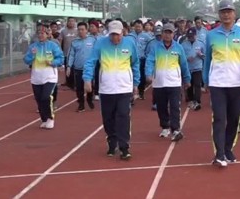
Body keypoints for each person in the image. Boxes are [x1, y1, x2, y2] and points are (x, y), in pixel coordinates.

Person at [203, 0, 240, 168]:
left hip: (237, 83)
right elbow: (208, 60)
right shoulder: (211, 35)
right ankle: (219, 154)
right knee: (219, 118)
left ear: (234, 14)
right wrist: (206, 80)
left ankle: (228, 149)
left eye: (229, 11)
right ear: (219, 14)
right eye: (223, 11)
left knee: (234, 118)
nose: (226, 14)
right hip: (217, 84)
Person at [84, 20, 140, 159]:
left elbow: (135, 63)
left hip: (124, 88)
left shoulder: (130, 43)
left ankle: (124, 147)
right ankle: (112, 141)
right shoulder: (101, 44)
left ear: (123, 32)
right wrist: (87, 79)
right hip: (106, 88)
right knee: (108, 118)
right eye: (112, 35)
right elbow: (91, 61)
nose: (115, 37)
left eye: (117, 34)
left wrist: (135, 84)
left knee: (123, 116)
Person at [145, 23, 191, 142]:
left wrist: (187, 79)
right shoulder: (155, 47)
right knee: (161, 107)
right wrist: (148, 74)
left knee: (175, 106)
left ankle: (175, 129)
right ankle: (165, 126)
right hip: (159, 82)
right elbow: (150, 61)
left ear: (173, 34)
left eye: (170, 32)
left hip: (174, 82)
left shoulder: (178, 48)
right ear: (162, 33)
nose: (167, 35)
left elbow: (184, 64)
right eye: (165, 32)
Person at [23, 24, 65, 129]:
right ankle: (44, 119)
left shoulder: (53, 46)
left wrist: (52, 62)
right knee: (39, 99)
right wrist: (32, 56)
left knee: (46, 97)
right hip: (36, 77)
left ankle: (50, 118)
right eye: (39, 33)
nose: (40, 35)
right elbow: (26, 60)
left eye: (43, 33)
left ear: (47, 34)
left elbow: (60, 58)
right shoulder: (33, 46)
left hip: (50, 77)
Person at [66, 22, 96, 112]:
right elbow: (71, 55)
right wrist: (69, 66)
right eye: (79, 29)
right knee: (79, 87)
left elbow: (97, 52)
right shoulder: (74, 42)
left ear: (86, 30)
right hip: (78, 68)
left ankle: (89, 99)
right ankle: (81, 104)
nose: (81, 31)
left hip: (89, 69)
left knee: (90, 87)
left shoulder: (92, 40)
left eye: (82, 29)